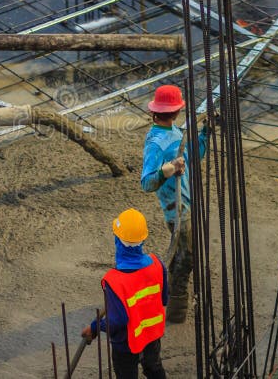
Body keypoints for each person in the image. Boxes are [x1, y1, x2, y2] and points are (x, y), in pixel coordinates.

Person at [139, 84, 208, 323]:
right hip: (175, 210)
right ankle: (176, 306)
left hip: (185, 202)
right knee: (188, 256)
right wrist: (167, 170)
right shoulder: (156, 142)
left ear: (154, 111)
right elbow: (147, 183)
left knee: (184, 252)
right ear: (178, 111)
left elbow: (191, 155)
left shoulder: (175, 132)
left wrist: (205, 133)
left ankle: (168, 297)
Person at [81, 208, 168, 379]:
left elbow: (118, 320)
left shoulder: (114, 280)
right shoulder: (158, 264)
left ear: (117, 241)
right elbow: (163, 299)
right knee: (154, 368)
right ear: (143, 239)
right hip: (151, 336)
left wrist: (95, 327)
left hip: (125, 344)